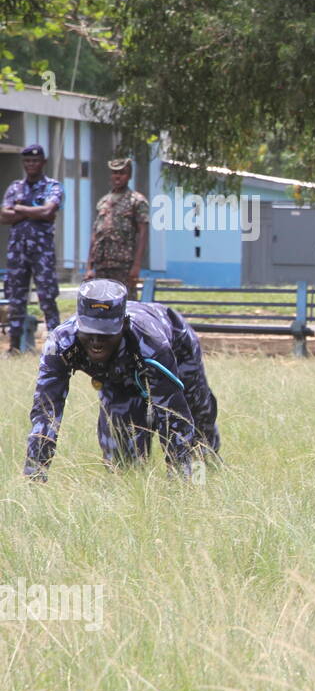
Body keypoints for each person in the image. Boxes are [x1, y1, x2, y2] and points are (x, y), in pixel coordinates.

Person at [24, 280, 220, 481]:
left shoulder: (152, 345)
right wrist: (35, 476)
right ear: (78, 323)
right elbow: (46, 411)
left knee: (197, 418)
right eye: (90, 330)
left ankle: (203, 480)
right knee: (121, 457)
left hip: (177, 347)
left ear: (123, 325)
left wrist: (183, 486)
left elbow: (173, 417)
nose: (96, 341)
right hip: (115, 376)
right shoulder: (60, 344)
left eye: (105, 332)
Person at [2, 144, 63, 353]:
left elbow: (48, 211)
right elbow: (3, 216)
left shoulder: (52, 187)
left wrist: (18, 208)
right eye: (27, 161)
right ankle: (14, 347)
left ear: (43, 162)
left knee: (47, 298)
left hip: (42, 253)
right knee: (16, 300)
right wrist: (35, 211)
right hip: (18, 252)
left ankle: (56, 347)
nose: (31, 164)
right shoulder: (15, 187)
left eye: (35, 160)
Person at [86, 158, 150, 292]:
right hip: (102, 264)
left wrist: (137, 265)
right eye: (115, 173)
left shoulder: (136, 201)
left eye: (122, 172)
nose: (118, 176)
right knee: (102, 305)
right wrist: (89, 267)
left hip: (124, 265)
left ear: (129, 176)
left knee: (126, 305)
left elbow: (143, 234)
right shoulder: (103, 201)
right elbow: (95, 234)